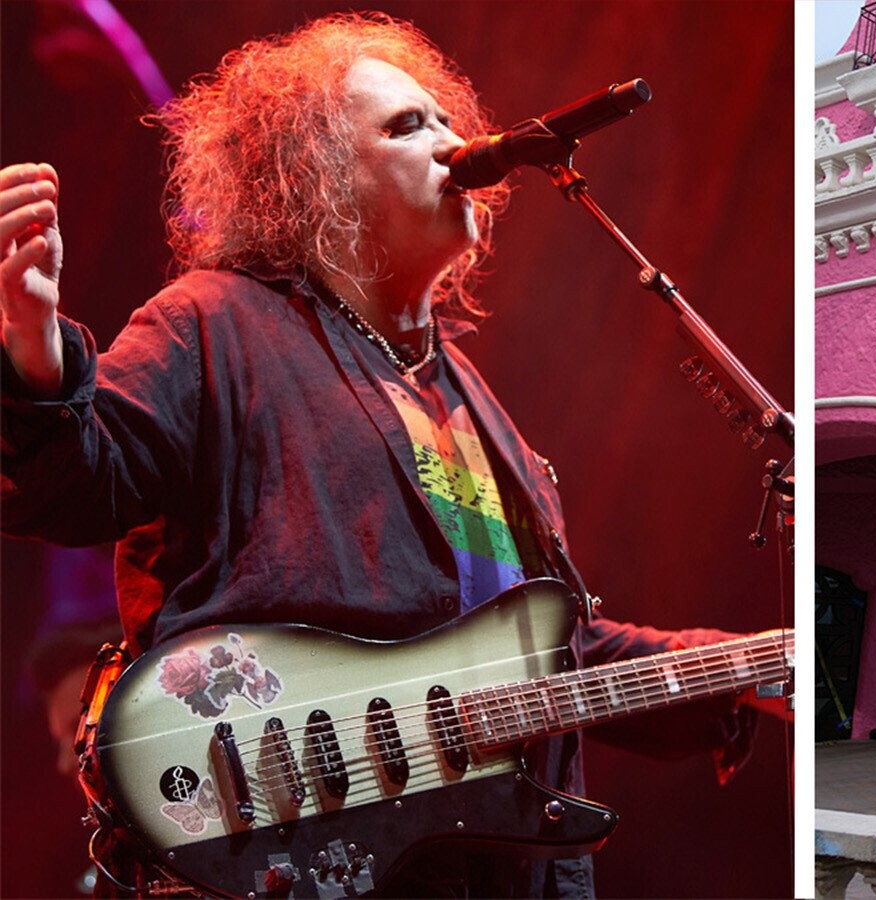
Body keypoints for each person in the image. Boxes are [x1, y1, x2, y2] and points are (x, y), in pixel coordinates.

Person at [0, 12, 783, 898]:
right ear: (317, 177)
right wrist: (34, 353)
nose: (457, 144)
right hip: (287, 848)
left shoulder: (473, 406)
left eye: (446, 118)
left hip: (494, 870)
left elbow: (553, 651)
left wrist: (748, 670)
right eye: (409, 126)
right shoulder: (217, 321)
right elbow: (76, 481)